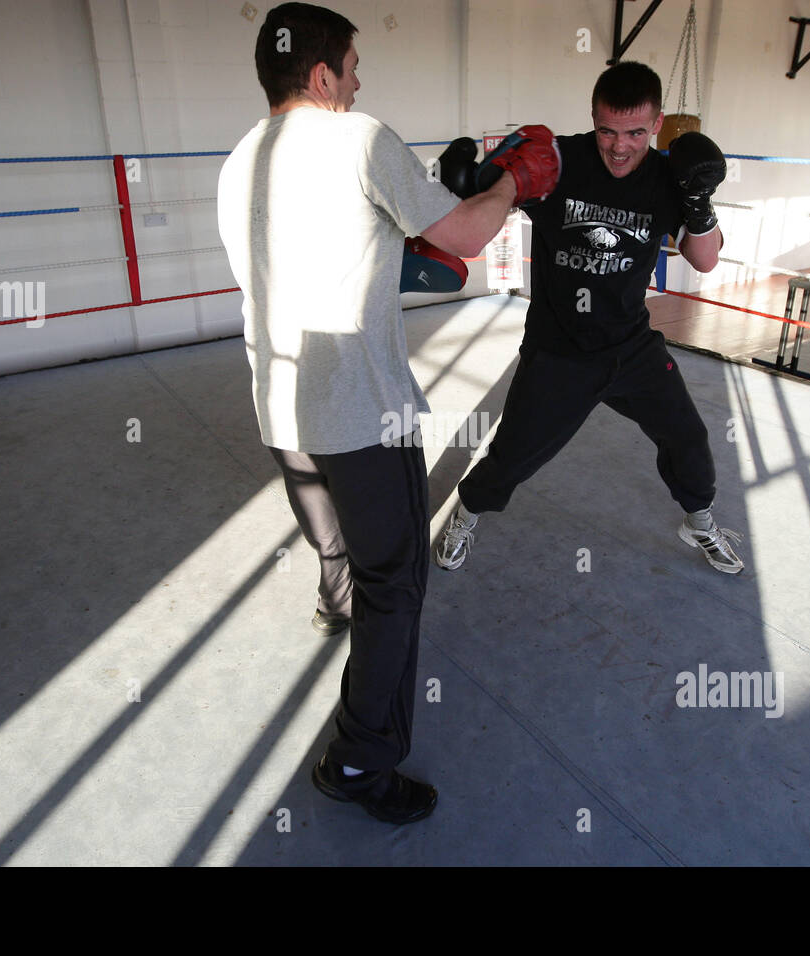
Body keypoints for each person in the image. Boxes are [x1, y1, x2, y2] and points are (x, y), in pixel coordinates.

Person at [216, 3, 557, 824]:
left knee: (337, 546)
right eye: (355, 65)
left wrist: (415, 220)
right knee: (396, 588)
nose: (361, 79)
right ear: (323, 74)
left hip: (279, 409)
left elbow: (342, 254)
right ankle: (362, 762)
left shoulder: (239, 161)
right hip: (363, 416)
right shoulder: (359, 137)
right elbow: (470, 237)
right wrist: (515, 180)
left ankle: (334, 603)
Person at [436, 61, 745, 576]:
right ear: (593, 120)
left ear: (658, 124)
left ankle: (699, 520)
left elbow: (706, 259)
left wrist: (699, 201)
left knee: (688, 436)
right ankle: (464, 515)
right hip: (559, 350)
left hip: (631, 347)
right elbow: (486, 209)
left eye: (635, 133)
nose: (619, 146)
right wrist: (472, 188)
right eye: (607, 130)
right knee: (513, 456)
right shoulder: (558, 161)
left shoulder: (669, 177)